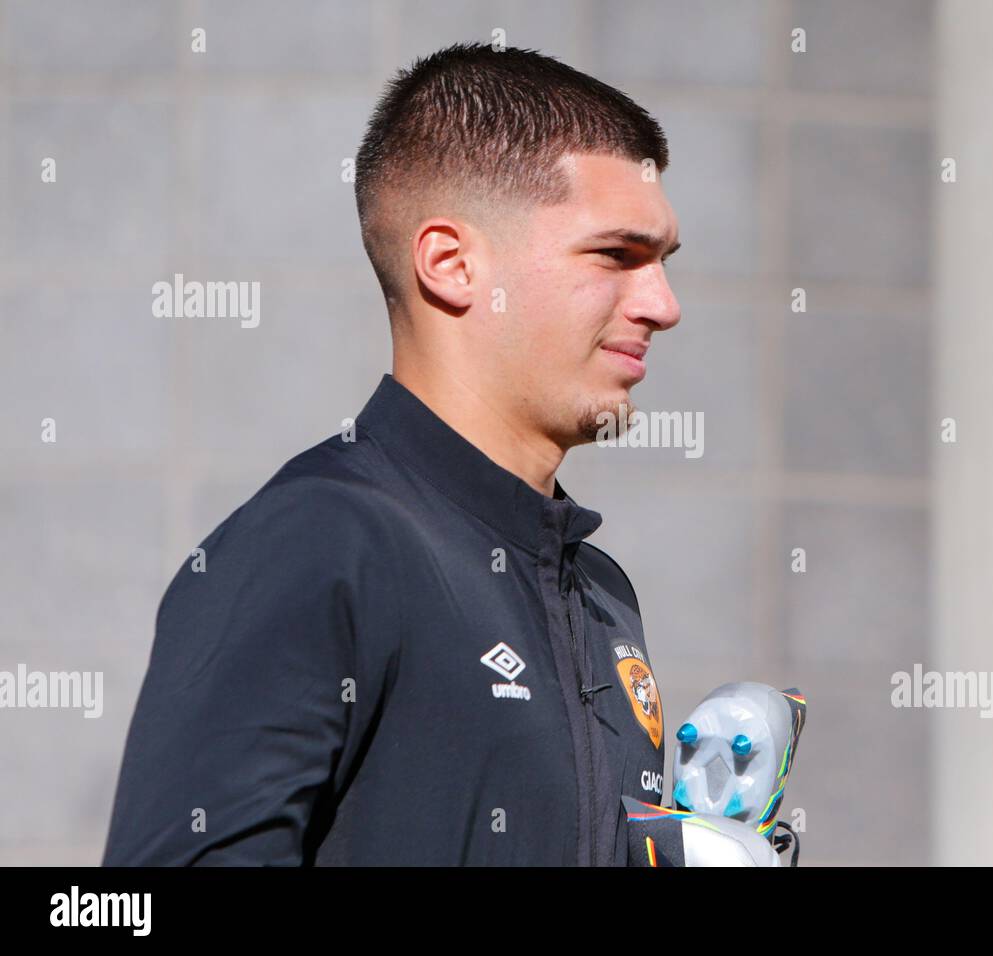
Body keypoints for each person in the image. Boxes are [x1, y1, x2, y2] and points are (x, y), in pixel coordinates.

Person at [102, 41, 682, 866]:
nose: (664, 305)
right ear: (451, 265)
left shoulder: (600, 593)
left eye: (664, 263)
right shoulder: (321, 540)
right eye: (616, 255)